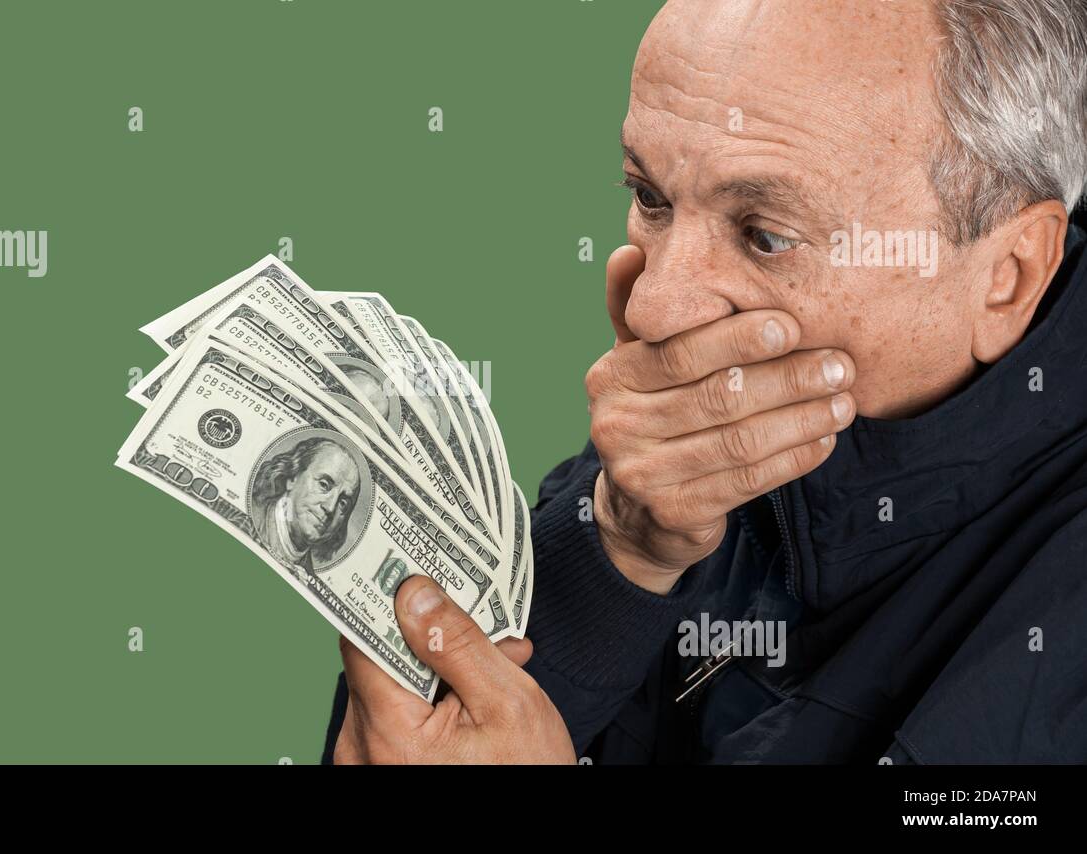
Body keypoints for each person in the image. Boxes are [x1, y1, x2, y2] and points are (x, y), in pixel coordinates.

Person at [325, 0, 1087, 764]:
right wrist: (618, 552)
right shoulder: (686, 446)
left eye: (765, 235)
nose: (655, 306)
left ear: (1008, 276)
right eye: (650, 198)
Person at [250, 436, 361, 574]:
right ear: (293, 477)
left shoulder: (308, 579)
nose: (330, 507)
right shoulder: (244, 520)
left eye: (343, 503)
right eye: (324, 485)